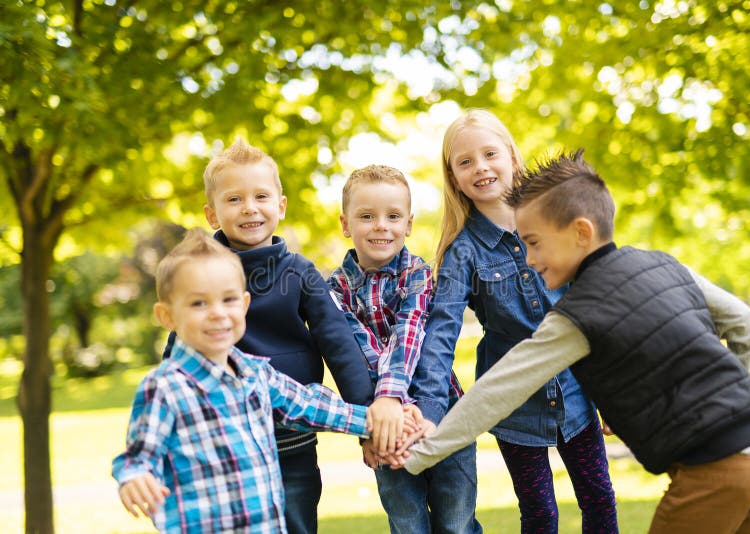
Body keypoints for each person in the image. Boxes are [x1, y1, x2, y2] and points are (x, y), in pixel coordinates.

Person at [400, 149, 750, 533]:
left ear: (581, 232)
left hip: (712, 469)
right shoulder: (664, 264)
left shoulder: (577, 315)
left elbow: (499, 388)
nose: (528, 259)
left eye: (534, 242)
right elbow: (743, 322)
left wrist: (418, 455)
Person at [409, 109, 617, 533]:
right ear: (453, 177)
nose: (480, 167)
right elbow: (440, 335)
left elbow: (601, 307)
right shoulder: (461, 252)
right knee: (540, 513)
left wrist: (615, 390)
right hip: (513, 404)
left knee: (599, 499)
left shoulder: (557, 221)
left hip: (579, 392)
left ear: (512, 157)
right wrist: (429, 411)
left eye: (490, 153)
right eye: (465, 162)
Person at [163, 137, 374, 534]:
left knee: (296, 519)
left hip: (293, 433)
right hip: (227, 440)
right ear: (212, 214)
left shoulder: (298, 271)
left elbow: (337, 341)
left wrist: (367, 418)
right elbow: (179, 347)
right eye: (234, 199)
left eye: (261, 195)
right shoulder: (200, 272)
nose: (249, 208)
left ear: (280, 205)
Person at [111, 228, 374, 533]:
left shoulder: (255, 373)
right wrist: (135, 476)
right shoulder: (166, 387)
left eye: (229, 300)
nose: (218, 314)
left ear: (245, 306)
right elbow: (139, 454)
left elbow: (310, 405)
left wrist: (375, 421)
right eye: (199, 304)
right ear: (167, 317)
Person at [327, 164, 476, 533]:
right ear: (346, 224)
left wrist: (400, 406)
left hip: (444, 416)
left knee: (456, 521)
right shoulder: (333, 290)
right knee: (407, 523)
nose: (381, 225)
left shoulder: (419, 274)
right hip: (382, 430)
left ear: (408, 224)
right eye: (367, 216)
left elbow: (408, 337)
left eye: (393, 216)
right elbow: (356, 354)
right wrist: (374, 428)